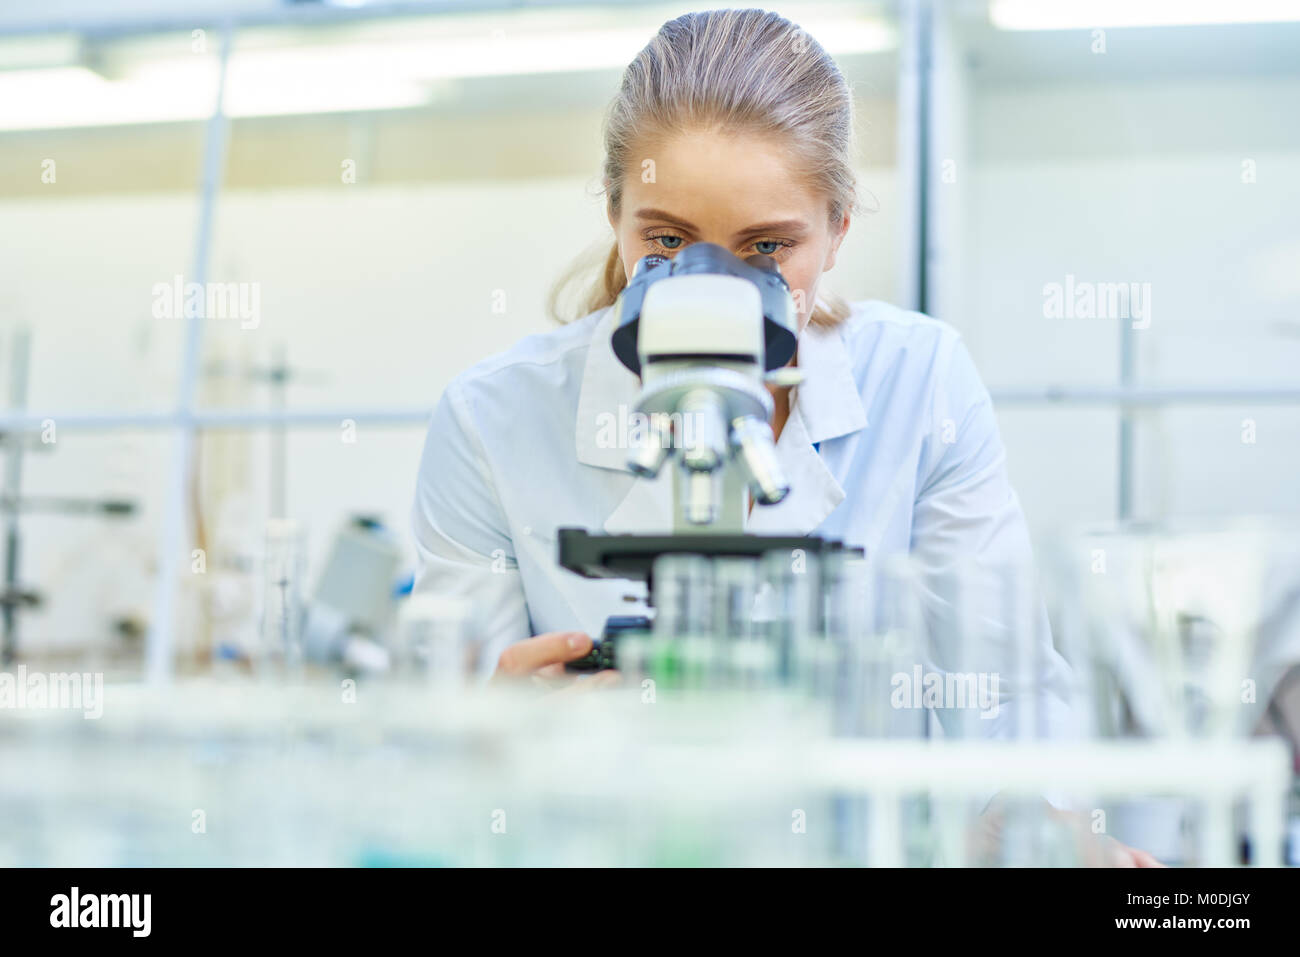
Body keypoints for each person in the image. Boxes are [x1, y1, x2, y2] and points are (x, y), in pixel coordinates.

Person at [411, 8, 1161, 865]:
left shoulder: (917, 379)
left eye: (766, 247)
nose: (712, 287)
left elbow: (1007, 691)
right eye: (666, 241)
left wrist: (1036, 825)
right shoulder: (492, 417)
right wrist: (485, 734)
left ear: (838, 230)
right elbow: (446, 764)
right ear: (613, 212)